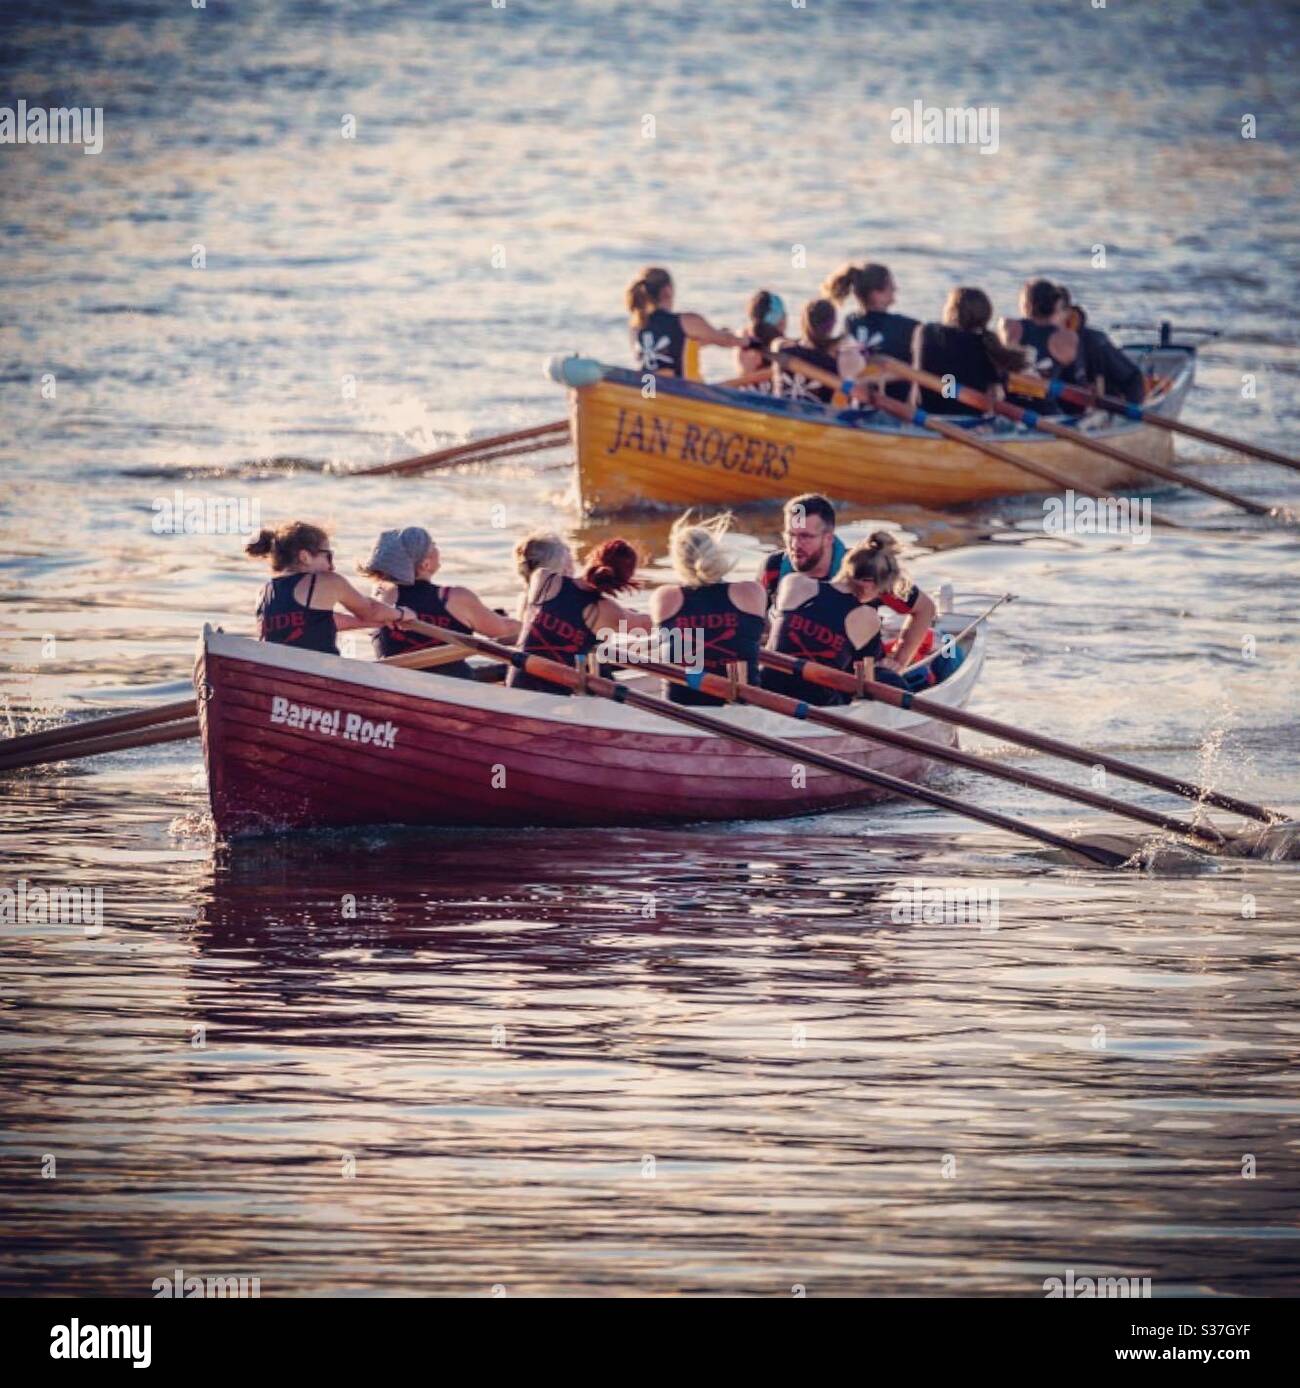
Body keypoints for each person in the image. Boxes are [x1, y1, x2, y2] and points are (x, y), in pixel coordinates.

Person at [345, 527, 519, 679]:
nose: (437, 548)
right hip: (454, 690)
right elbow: (504, 630)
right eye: (433, 545)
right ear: (425, 564)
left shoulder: (380, 596)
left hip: (396, 685)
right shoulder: (456, 597)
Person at [761, 534, 913, 707]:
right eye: (881, 591)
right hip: (816, 706)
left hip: (763, 689)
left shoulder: (793, 582)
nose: (879, 597)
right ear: (870, 585)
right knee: (888, 678)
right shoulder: (868, 618)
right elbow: (866, 676)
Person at [649, 512, 767, 707]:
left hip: (682, 711)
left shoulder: (664, 598)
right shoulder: (751, 592)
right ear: (716, 554)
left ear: (678, 562)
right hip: (743, 711)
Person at [507, 537, 652, 695]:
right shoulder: (609, 612)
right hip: (555, 699)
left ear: (591, 557)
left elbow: (569, 598)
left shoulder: (543, 578)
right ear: (624, 580)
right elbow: (649, 624)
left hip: (516, 685)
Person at [246, 521, 411, 656]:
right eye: (328, 556)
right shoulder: (326, 581)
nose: (332, 567)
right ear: (305, 557)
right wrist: (401, 614)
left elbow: (317, 621)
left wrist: (375, 622)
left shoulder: (263, 591)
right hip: (318, 675)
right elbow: (370, 608)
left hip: (274, 671)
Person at [911, 287, 1027, 417]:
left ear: (951, 311)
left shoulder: (925, 332)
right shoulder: (988, 345)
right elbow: (997, 396)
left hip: (928, 417)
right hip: (971, 421)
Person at [626, 267, 743, 379]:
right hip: (684, 392)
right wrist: (748, 341)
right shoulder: (687, 321)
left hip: (648, 391)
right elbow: (727, 341)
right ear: (668, 290)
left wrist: (711, 338)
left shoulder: (636, 326)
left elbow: (673, 348)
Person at [823, 262, 918, 401]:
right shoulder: (906, 326)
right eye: (891, 285)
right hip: (896, 404)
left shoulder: (850, 322)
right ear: (876, 294)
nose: (895, 288)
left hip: (858, 400)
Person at [1000, 278, 1084, 413]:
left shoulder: (1009, 326)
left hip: (1009, 409)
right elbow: (1076, 383)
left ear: (1026, 305)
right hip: (1047, 412)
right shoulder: (1068, 338)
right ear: (1055, 306)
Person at [757, 493, 848, 608]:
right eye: (791, 535)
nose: (795, 544)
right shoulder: (774, 568)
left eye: (805, 536)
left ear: (828, 539)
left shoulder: (861, 572)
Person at [1058, 297, 1147, 404]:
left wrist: (1130, 414)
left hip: (1101, 409)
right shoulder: (1038, 336)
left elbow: (1133, 378)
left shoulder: (1095, 342)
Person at [774, 299, 862, 405]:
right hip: (817, 418)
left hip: (781, 413)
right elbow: (841, 400)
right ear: (833, 324)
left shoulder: (782, 349)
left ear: (803, 321)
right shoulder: (835, 363)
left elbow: (785, 342)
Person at [734, 291, 786, 392]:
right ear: (782, 320)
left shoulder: (742, 339)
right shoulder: (784, 346)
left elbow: (744, 374)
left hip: (745, 397)